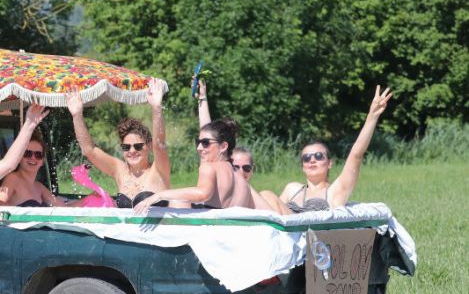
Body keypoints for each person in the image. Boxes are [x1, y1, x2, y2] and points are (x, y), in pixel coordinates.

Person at [260, 86, 393, 214]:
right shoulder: (292, 189)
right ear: (303, 167)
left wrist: (372, 116)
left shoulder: (335, 191)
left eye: (318, 156)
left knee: (267, 195)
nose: (312, 160)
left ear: (330, 163)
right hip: (283, 227)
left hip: (306, 229)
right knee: (265, 195)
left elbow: (356, 155)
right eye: (306, 158)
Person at [67, 78, 170, 208]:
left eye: (138, 146)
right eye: (126, 147)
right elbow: (89, 151)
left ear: (149, 146)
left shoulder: (159, 170)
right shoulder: (120, 170)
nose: (132, 151)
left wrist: (156, 107)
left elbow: (159, 145)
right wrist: (77, 115)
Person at [133, 118, 255, 212]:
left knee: (176, 204)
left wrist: (159, 195)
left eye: (205, 143)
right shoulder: (242, 181)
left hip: (213, 235)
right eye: (198, 142)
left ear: (223, 146)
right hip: (234, 235)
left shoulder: (209, 168)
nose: (199, 148)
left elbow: (202, 194)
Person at [195, 77, 255, 182]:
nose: (199, 148)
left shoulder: (211, 170)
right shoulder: (212, 167)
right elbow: (206, 129)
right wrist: (202, 97)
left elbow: (203, 191)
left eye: (246, 168)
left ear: (223, 147)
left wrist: (164, 193)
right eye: (236, 167)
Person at [0, 136, 71, 207]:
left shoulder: (39, 187)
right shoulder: (12, 178)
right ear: (19, 158)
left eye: (38, 155)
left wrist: (79, 203)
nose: (33, 157)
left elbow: (63, 207)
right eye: (27, 153)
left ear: (42, 161)